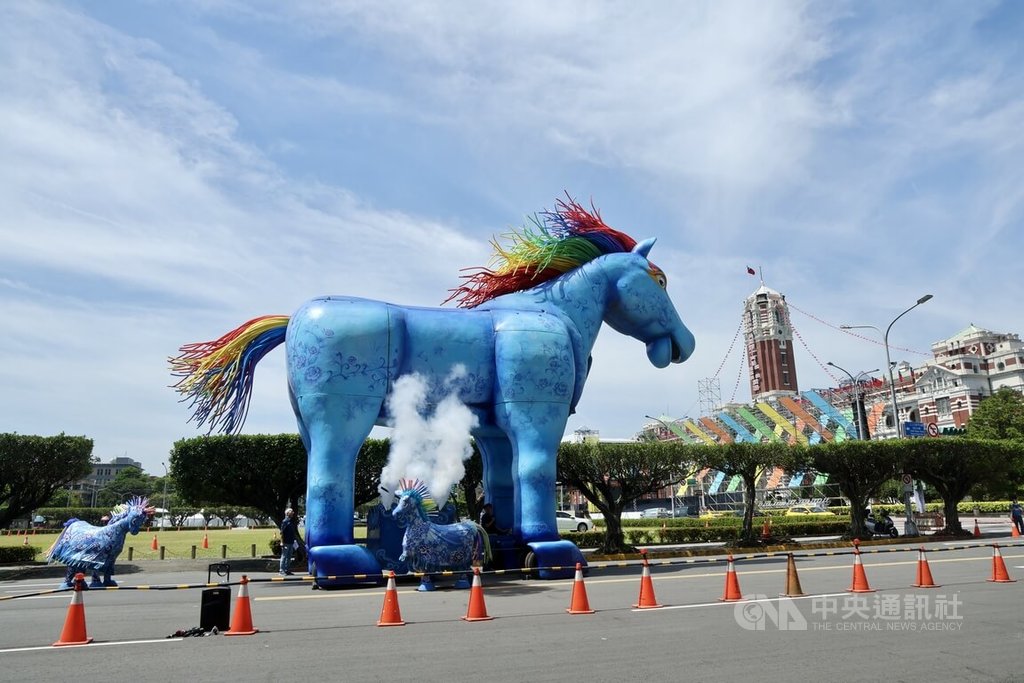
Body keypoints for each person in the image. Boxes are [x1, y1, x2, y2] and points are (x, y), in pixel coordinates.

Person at [279, 508, 302, 576]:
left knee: (289, 557)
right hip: (286, 542)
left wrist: (294, 541)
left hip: (291, 542)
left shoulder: (290, 521)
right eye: (291, 511)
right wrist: (282, 542)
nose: (293, 513)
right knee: (284, 556)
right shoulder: (285, 522)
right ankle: (281, 570)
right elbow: (282, 533)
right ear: (287, 513)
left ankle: (287, 570)